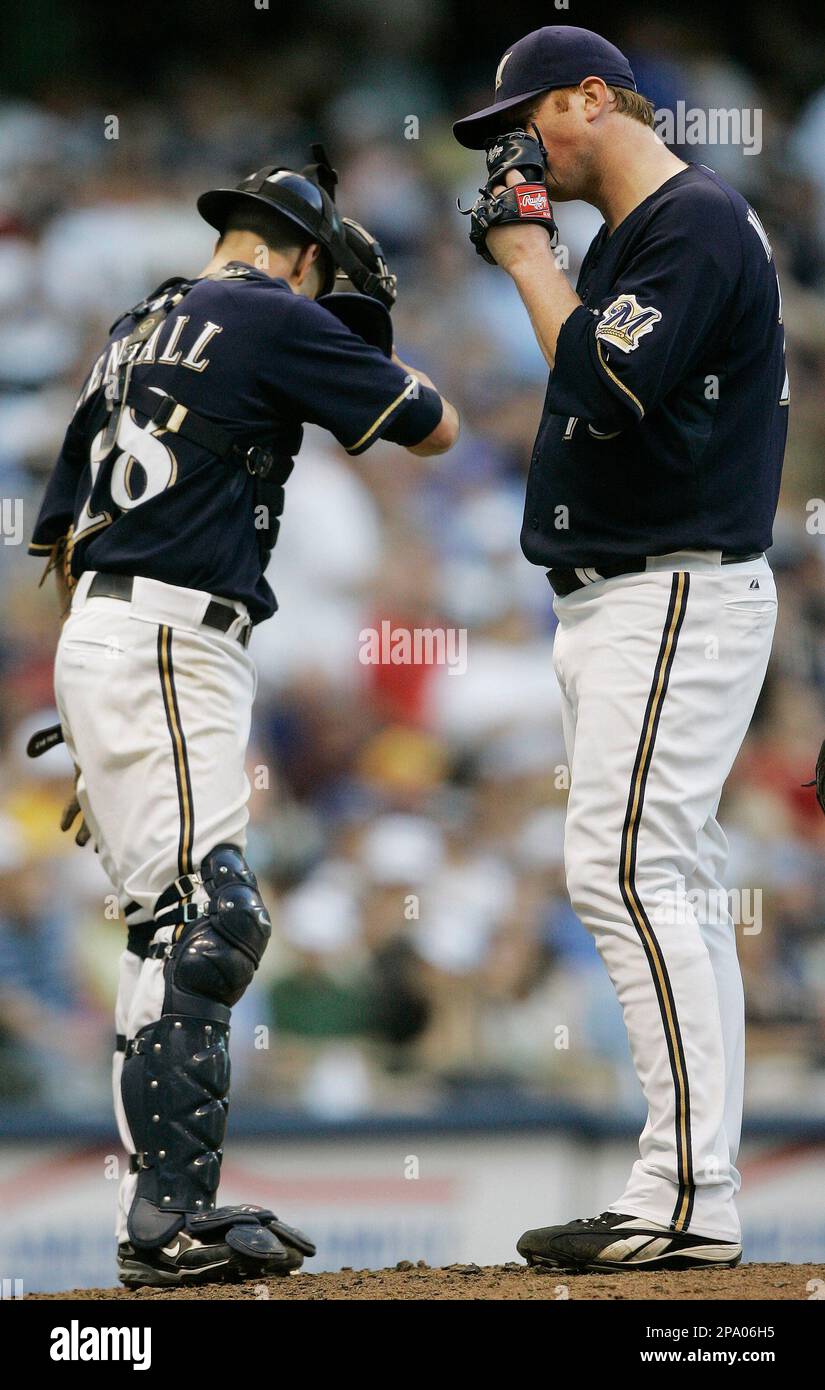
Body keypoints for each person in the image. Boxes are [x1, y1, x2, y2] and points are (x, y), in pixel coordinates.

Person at [28, 149, 459, 1288]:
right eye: (325, 282)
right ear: (302, 257)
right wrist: (366, 339)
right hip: (171, 639)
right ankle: (173, 1218)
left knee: (162, 929)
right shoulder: (268, 309)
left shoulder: (133, 330)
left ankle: (154, 1218)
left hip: (113, 633)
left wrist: (91, 712)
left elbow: (62, 537)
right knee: (209, 920)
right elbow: (436, 426)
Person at [454, 25, 787, 1271]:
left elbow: (599, 384)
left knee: (628, 870)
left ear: (592, 97)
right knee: (668, 883)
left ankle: (685, 1193)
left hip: (670, 589)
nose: (512, 153)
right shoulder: (645, 234)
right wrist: (548, 257)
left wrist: (525, 257)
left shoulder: (691, 220)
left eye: (523, 122)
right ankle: (694, 1187)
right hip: (633, 596)